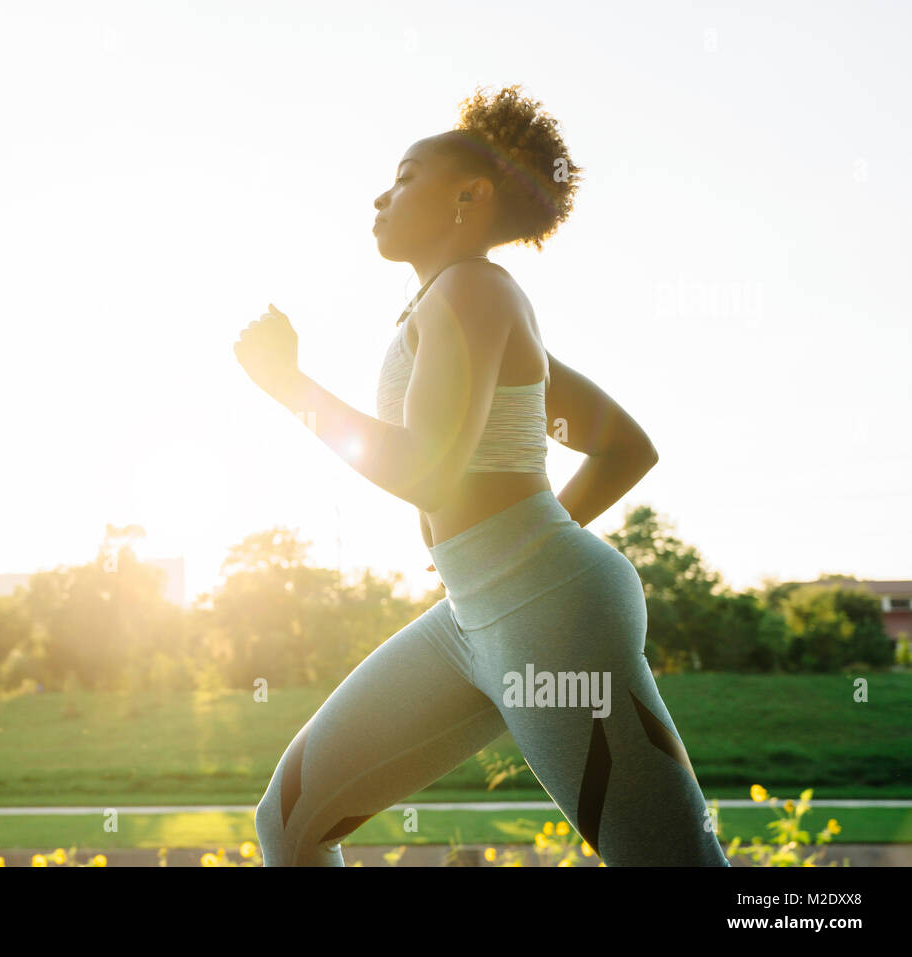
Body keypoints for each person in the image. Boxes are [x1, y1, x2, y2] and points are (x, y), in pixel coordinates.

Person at [234, 83, 729, 867]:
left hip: (548, 616)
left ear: (470, 195)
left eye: (403, 177)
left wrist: (288, 384)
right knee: (289, 822)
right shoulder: (467, 300)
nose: (379, 195)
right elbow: (621, 446)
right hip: (471, 612)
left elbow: (431, 470)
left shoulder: (474, 288)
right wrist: (504, 546)